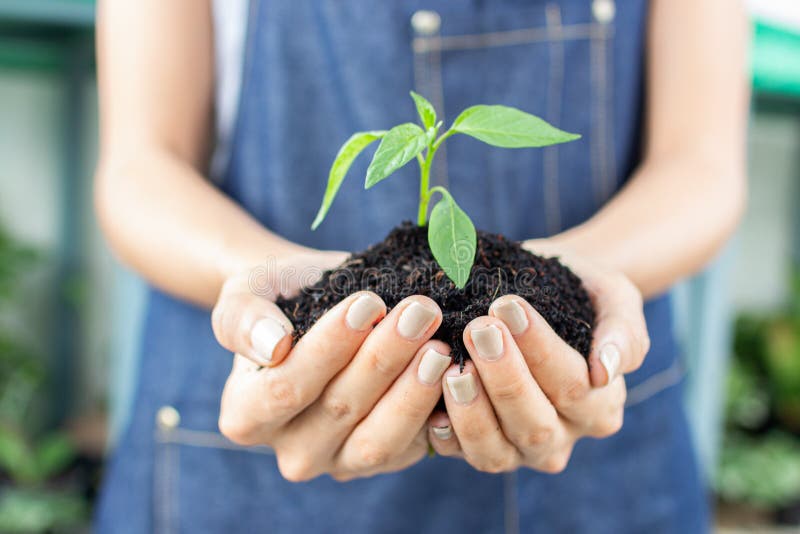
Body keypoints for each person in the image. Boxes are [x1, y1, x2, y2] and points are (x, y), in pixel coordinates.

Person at [93, 0, 749, 532]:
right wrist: (275, 292)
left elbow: (702, 163)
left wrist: (577, 283)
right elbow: (140, 165)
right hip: (253, 458)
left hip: (592, 470)